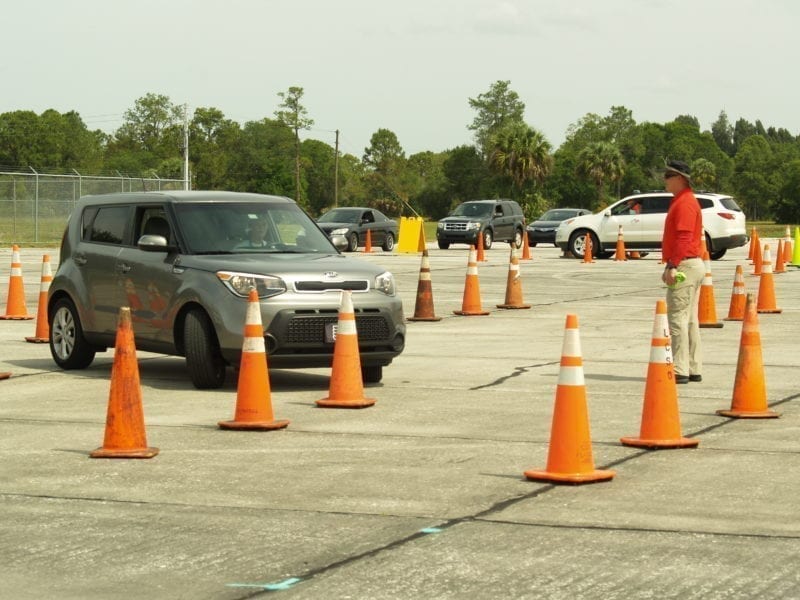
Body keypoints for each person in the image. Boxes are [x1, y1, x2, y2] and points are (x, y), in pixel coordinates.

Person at [661, 160, 704, 384]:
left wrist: (672, 264)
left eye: (669, 175)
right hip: (690, 263)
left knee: (677, 318)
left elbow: (684, 237)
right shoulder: (683, 201)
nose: (665, 179)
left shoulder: (685, 203)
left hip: (685, 264)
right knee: (689, 319)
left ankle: (680, 369)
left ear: (679, 178)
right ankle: (692, 366)